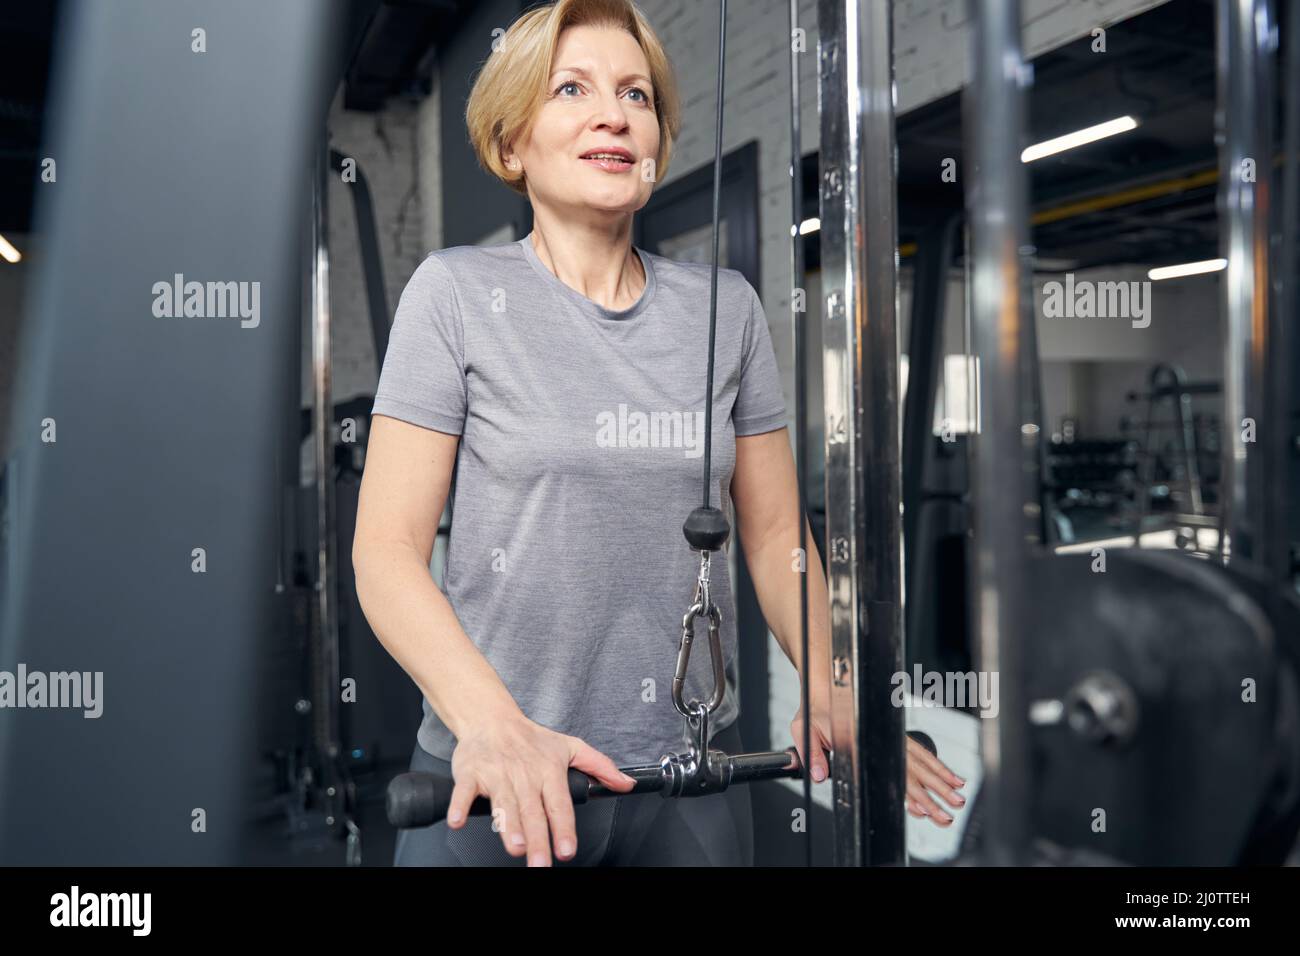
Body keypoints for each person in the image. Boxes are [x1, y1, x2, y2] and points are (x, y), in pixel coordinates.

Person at [352, 0, 964, 868]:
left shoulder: (727, 307)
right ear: (511, 142)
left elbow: (779, 533)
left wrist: (834, 686)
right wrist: (495, 727)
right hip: (500, 780)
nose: (615, 112)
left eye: (636, 95)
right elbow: (384, 550)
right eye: (573, 88)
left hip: (684, 778)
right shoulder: (453, 297)